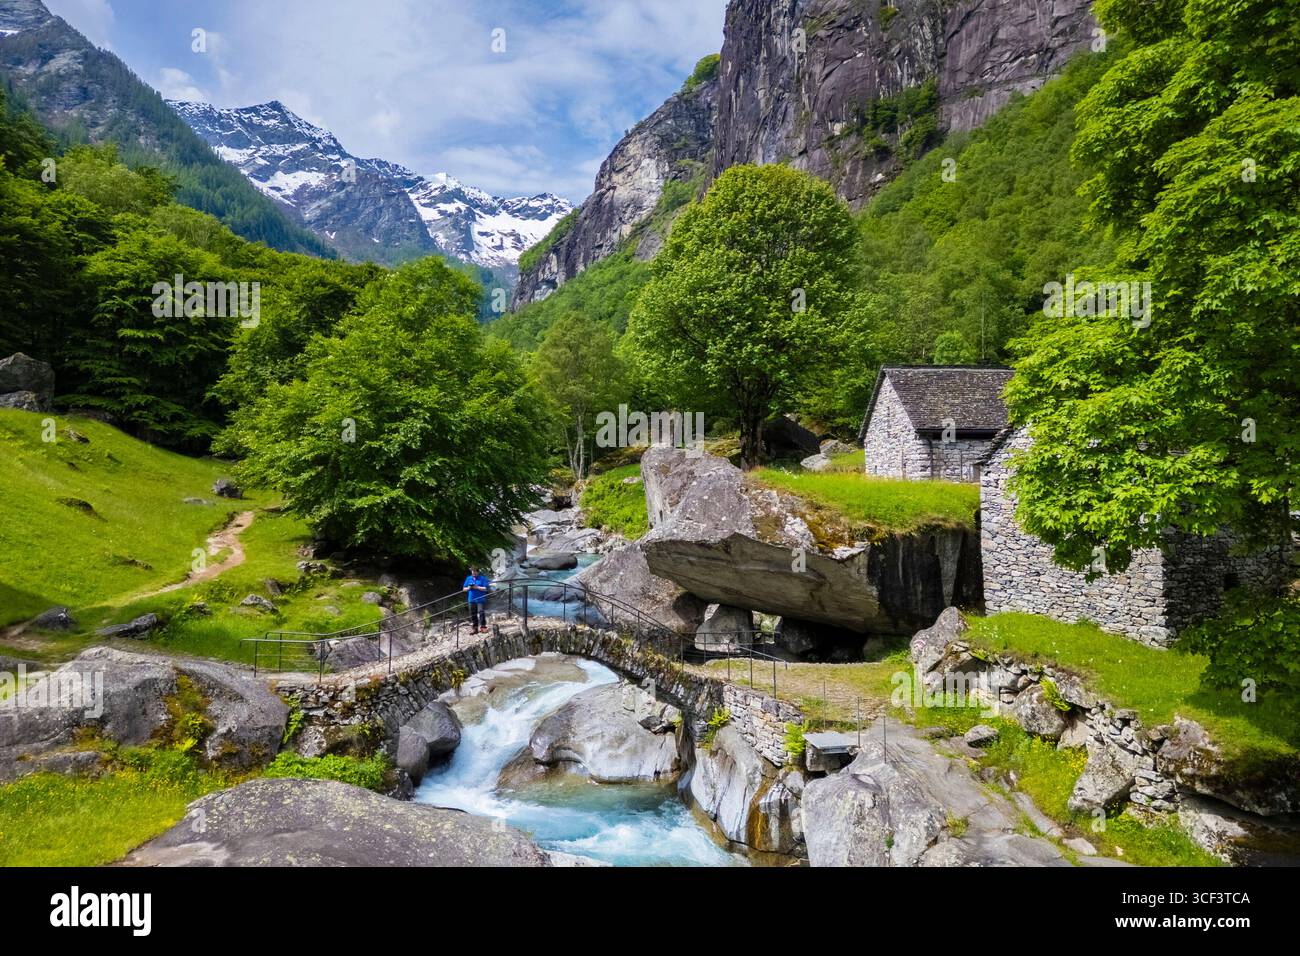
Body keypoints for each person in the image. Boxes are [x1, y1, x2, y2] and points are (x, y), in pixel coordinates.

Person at [463, 566, 490, 633]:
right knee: (473, 613)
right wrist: (469, 588)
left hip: (480, 599)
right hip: (471, 599)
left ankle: (483, 627)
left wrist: (477, 587)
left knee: (481, 612)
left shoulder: (482, 578)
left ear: (478, 572)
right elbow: (464, 589)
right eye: (472, 571)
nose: (474, 573)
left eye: (475, 571)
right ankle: (475, 628)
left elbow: (486, 588)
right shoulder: (468, 578)